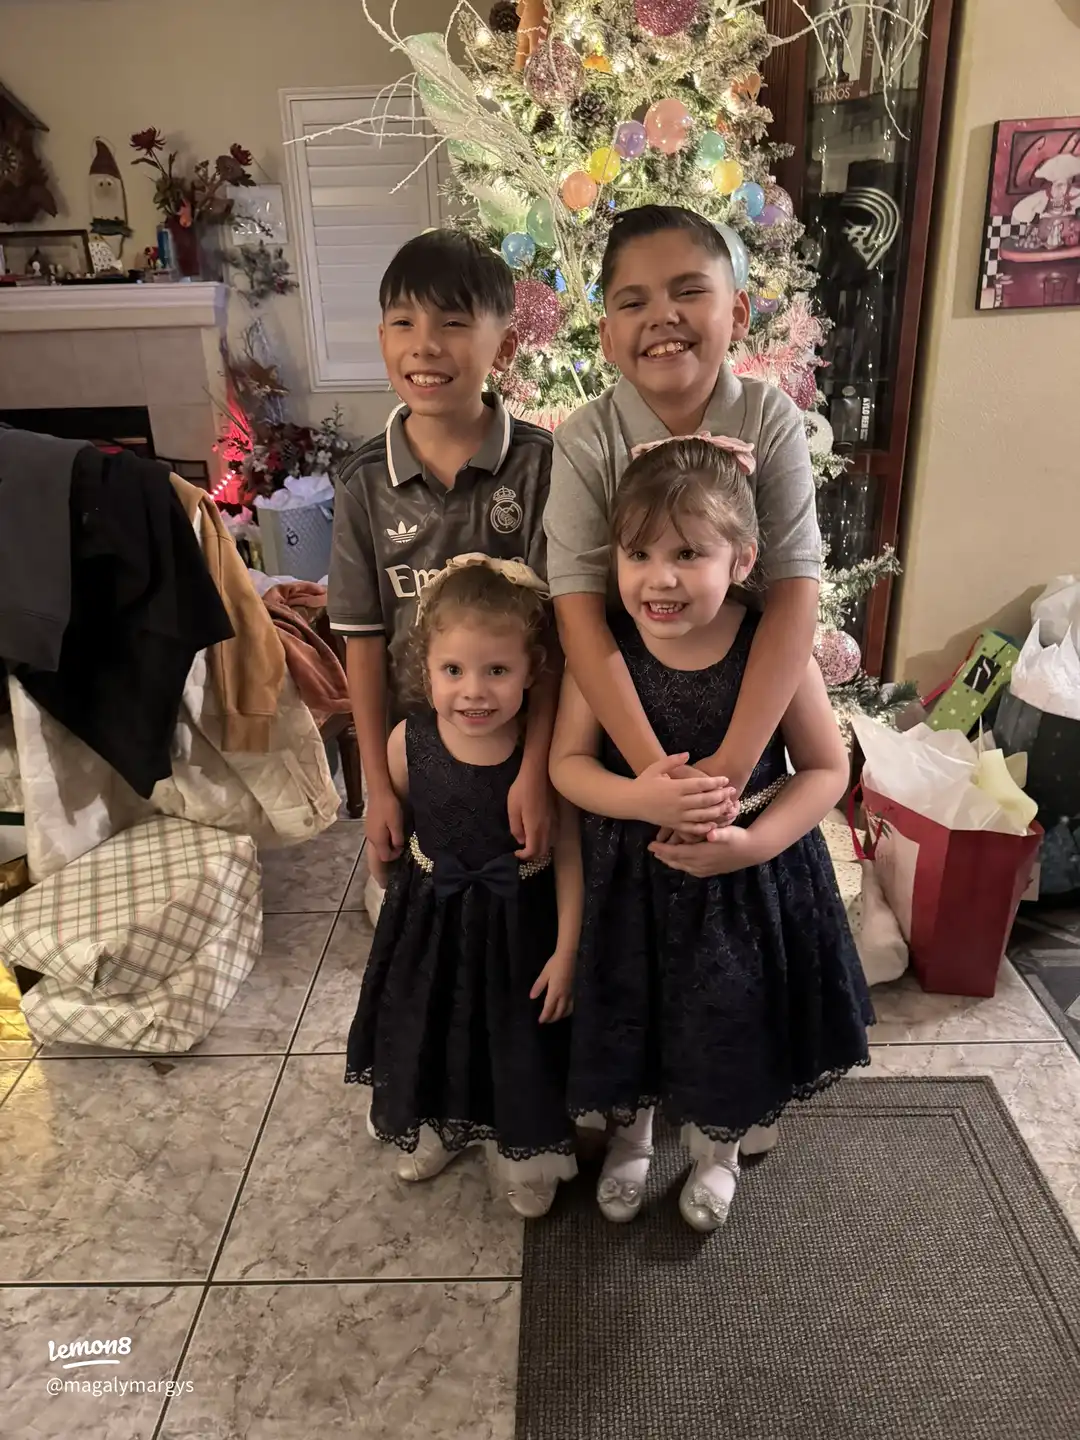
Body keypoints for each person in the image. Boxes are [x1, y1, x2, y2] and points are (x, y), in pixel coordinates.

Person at [549, 437, 872, 1232]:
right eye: (638, 553)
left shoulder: (773, 645)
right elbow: (566, 765)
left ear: (742, 558)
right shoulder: (610, 652)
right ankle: (633, 1139)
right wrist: (635, 798)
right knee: (638, 1008)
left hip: (746, 886)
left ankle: (717, 1152)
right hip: (633, 882)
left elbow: (826, 770)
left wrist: (757, 844)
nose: (659, 577)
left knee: (728, 1017)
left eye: (688, 553)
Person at [544, 203, 821, 819]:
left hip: (743, 695)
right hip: (628, 706)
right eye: (633, 301)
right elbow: (578, 613)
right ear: (608, 336)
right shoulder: (586, 440)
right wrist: (657, 781)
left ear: (739, 313)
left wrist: (726, 776)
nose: (663, 315)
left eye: (690, 291)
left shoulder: (771, 419)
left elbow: (796, 592)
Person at [329, 231, 556, 925]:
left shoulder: (542, 468)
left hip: (518, 758)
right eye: (404, 323)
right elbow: (362, 643)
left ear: (505, 347)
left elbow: (561, 640)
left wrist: (538, 770)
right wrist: (377, 791)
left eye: (453, 324)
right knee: (423, 926)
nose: (424, 346)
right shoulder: (364, 481)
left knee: (521, 925)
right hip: (415, 762)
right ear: (382, 338)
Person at [346, 555, 582, 1219]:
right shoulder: (407, 743)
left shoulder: (548, 760)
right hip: (434, 927)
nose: (473, 691)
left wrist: (567, 951)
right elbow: (391, 832)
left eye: (496, 671)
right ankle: (437, 1127)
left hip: (520, 931)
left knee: (515, 1042)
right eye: (453, 671)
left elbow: (568, 859)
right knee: (434, 1028)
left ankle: (524, 1150)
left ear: (531, 670)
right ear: (426, 669)